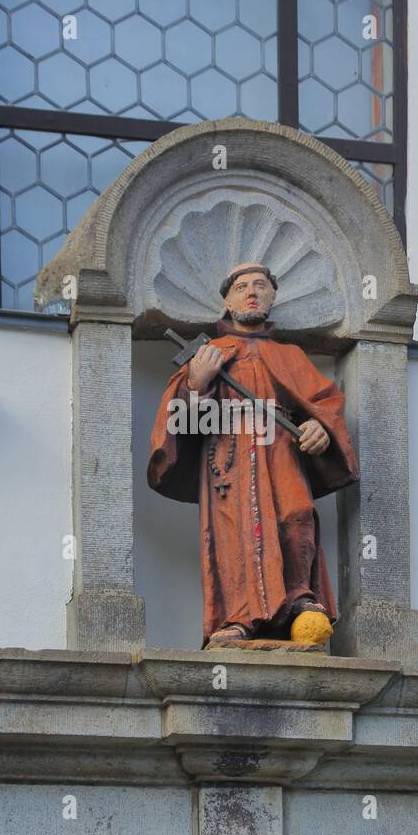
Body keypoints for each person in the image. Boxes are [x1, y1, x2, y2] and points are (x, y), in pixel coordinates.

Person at [147, 262, 359, 649]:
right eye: (242, 287)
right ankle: (238, 616)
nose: (252, 292)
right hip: (228, 454)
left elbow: (324, 404)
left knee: (296, 514)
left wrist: (319, 428)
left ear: (272, 297)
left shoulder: (290, 355)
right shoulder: (209, 353)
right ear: (227, 301)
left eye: (260, 285)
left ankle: (299, 601)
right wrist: (197, 383)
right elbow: (180, 423)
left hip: (281, 448)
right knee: (235, 530)